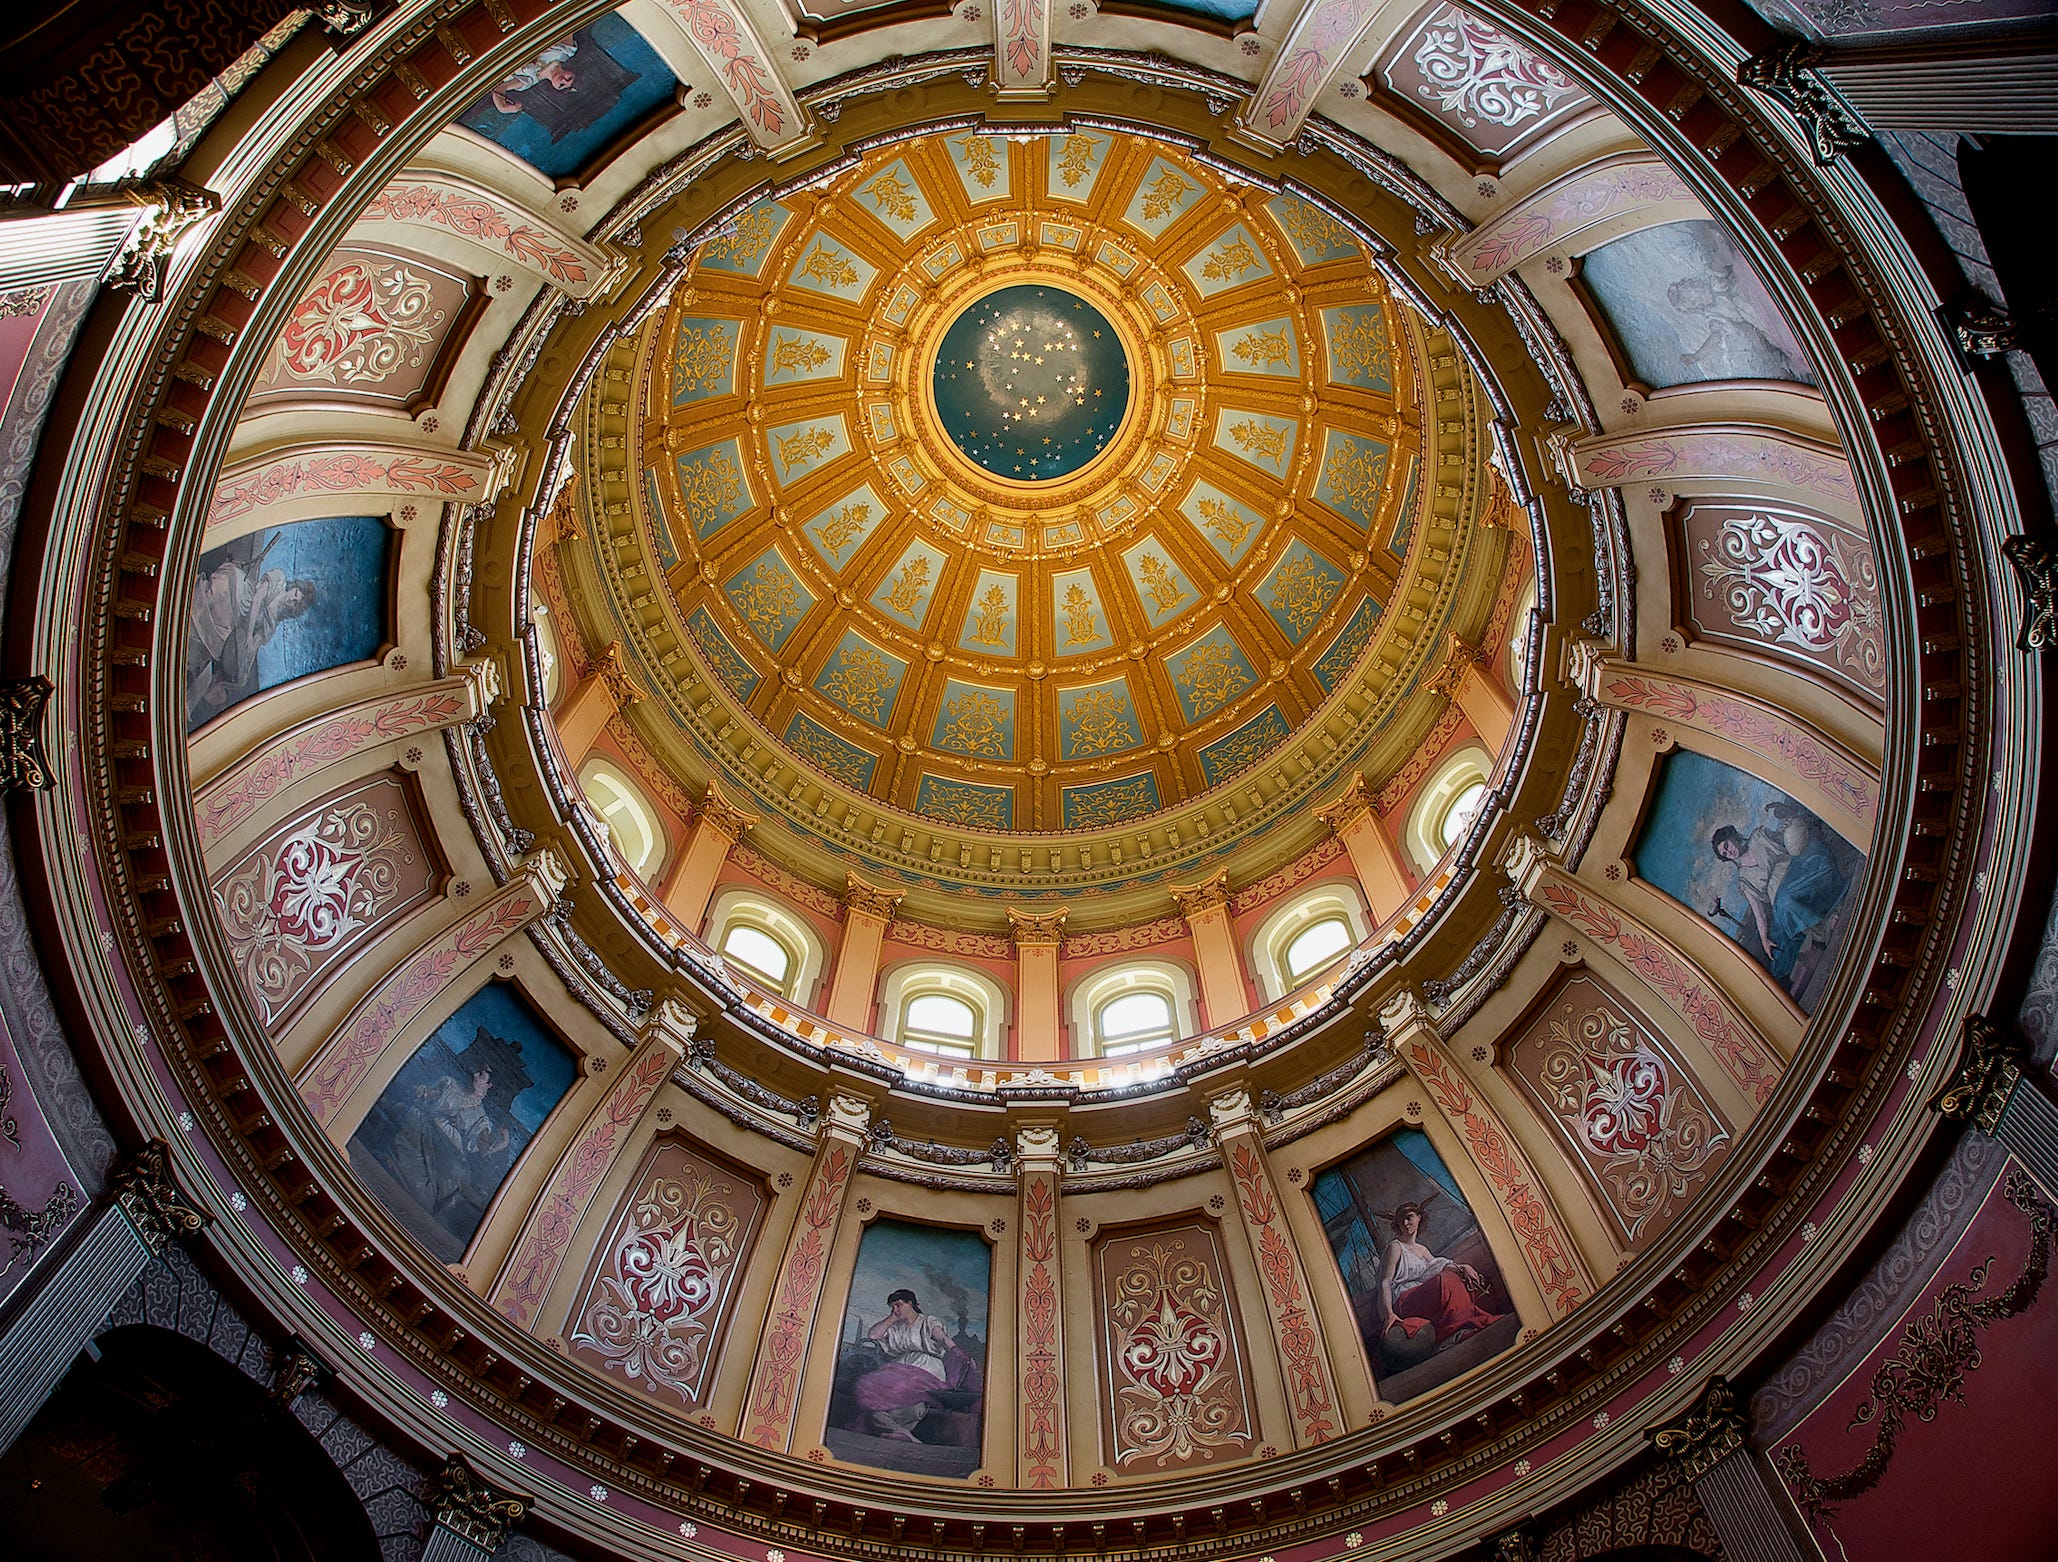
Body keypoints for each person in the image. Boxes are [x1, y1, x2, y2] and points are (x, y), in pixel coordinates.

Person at [1711, 799, 1849, 991]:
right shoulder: (1744, 881)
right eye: (1725, 854)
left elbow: (1789, 841)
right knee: (1782, 937)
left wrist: (1788, 817)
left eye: (1727, 845)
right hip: (1784, 901)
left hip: (1800, 870)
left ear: (1733, 836)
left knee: (1786, 902)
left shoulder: (1759, 837)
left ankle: (1827, 922)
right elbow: (1759, 914)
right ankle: (1822, 929)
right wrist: (1765, 940)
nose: (1729, 852)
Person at [185, 543, 318, 727]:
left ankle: (202, 679)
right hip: (240, 594)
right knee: (220, 602)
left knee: (221, 648)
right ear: (294, 587)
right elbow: (256, 599)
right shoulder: (279, 579)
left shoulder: (272, 624)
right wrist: (247, 633)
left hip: (238, 623)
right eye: (296, 594)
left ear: (295, 609)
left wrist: (243, 671)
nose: (293, 599)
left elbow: (254, 645)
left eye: (296, 602)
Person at [389, 1064, 511, 1222]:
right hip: (427, 1126)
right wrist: (423, 1091)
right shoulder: (452, 1085)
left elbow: (484, 1150)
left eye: (481, 1075)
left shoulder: (481, 1119)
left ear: (489, 1085)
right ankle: (397, 1167)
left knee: (456, 1171)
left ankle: (424, 1196)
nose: (475, 1075)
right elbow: (431, 1094)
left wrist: (505, 1141)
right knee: (411, 1117)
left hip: (450, 1148)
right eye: (477, 1071)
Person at [1375, 1202, 1504, 1351]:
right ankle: (1456, 1330)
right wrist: (1389, 1313)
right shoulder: (1396, 1247)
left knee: (1451, 1278)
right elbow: (1385, 1282)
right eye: (1400, 1221)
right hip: (1403, 1301)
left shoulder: (1422, 1250)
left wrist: (1463, 1267)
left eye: (1408, 1218)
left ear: (1419, 1217)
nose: (1405, 1223)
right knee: (1444, 1280)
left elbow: (1437, 1266)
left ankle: (1461, 1326)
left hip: (1421, 1295)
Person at [852, 1290, 970, 1442]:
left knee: (910, 1402)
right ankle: (904, 1434)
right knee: (869, 1397)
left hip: (925, 1366)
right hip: (900, 1366)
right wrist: (892, 1317)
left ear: (911, 1304)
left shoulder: (928, 1321)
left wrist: (956, 1350)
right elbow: (874, 1335)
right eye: (892, 1307)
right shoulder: (896, 1327)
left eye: (898, 1305)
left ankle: (896, 1431)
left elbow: (942, 1337)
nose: (895, 1309)